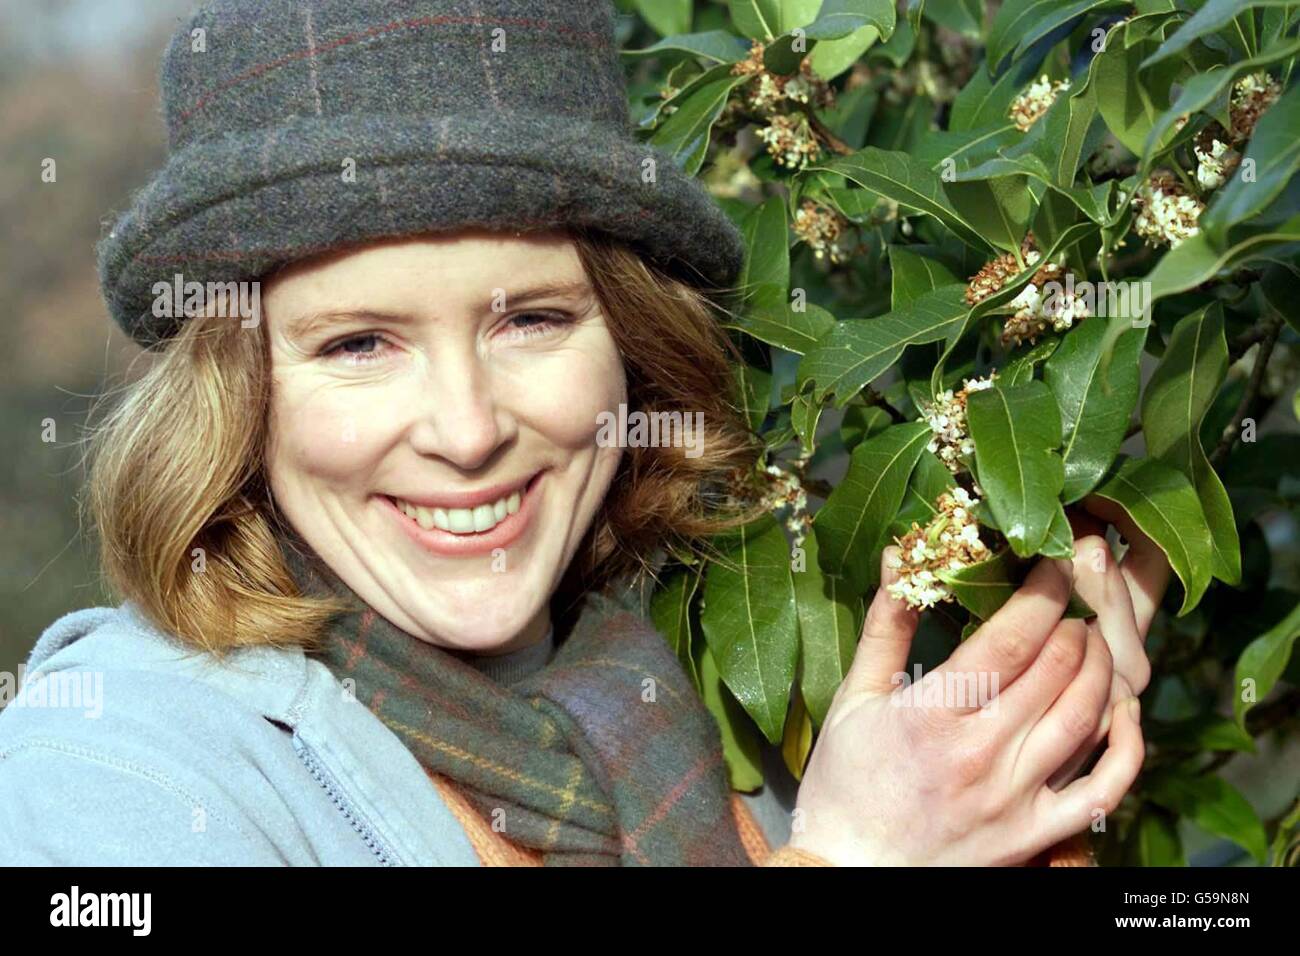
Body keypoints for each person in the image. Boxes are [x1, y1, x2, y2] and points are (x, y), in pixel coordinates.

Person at [0, 0, 1167, 866]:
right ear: (235, 393)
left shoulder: (700, 687)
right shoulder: (113, 767)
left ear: (631, 340)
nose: (466, 431)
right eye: (358, 343)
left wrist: (1029, 767)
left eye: (534, 319)